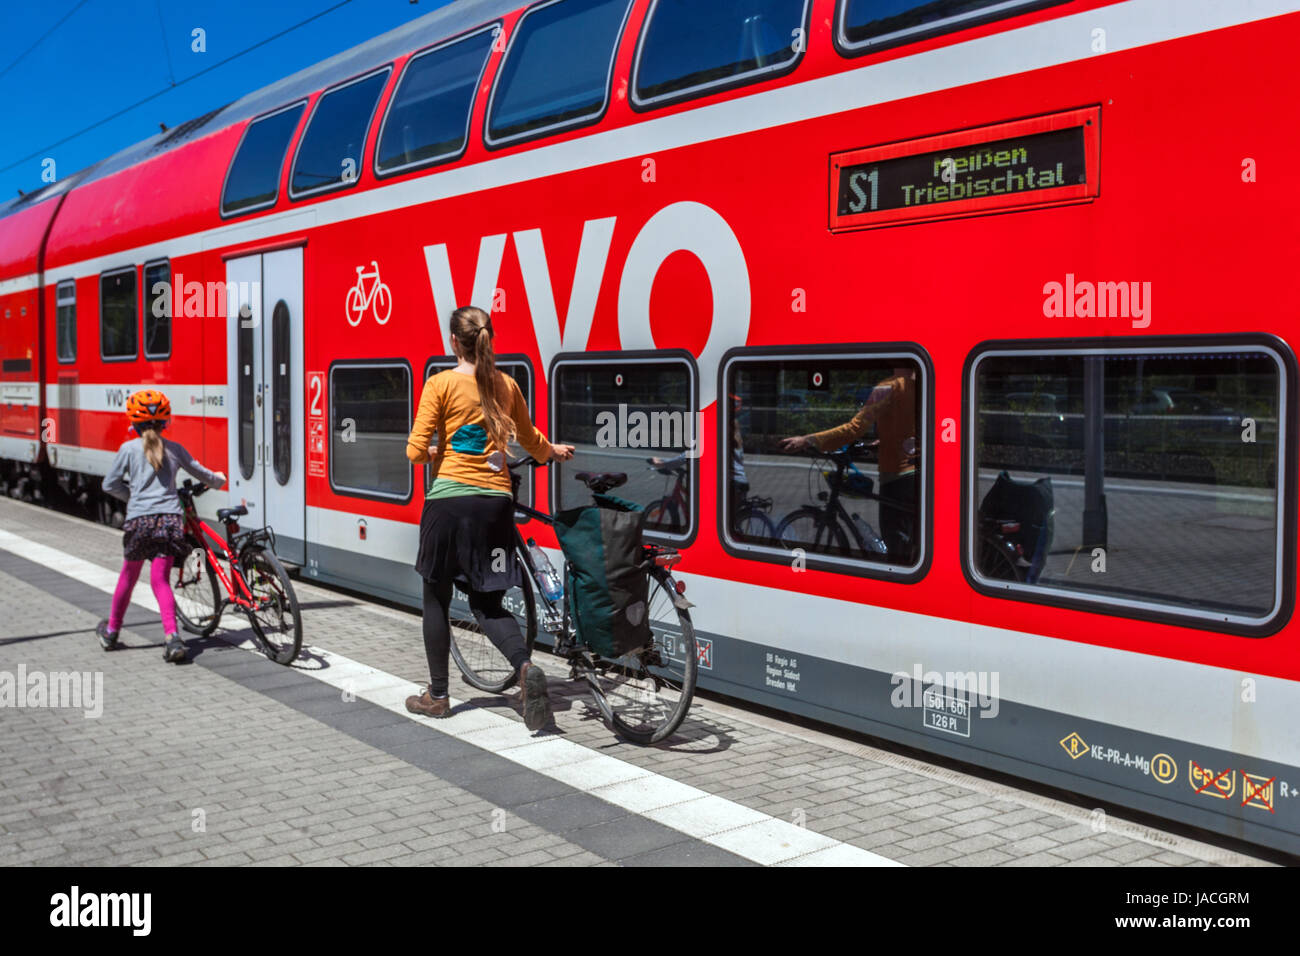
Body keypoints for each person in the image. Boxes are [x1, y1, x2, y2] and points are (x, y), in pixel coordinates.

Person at [405, 306, 574, 729]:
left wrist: (431, 452)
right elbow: (534, 443)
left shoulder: (439, 384)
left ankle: (438, 696)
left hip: (448, 503)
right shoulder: (507, 384)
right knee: (487, 603)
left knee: (435, 600)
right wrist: (553, 451)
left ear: (453, 342)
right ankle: (524, 668)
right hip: (495, 504)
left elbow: (413, 450)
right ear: (488, 339)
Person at [97, 389, 226, 662]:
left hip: (139, 523)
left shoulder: (127, 449)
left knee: (128, 578)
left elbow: (109, 484)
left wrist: (132, 496)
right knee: (160, 582)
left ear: (133, 422)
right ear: (165, 422)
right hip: (169, 521)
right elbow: (203, 473)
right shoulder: (175, 450)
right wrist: (219, 479)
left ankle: (111, 632)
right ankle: (173, 638)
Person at [779, 367, 919, 562]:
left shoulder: (889, 387)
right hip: (918, 476)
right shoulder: (923, 384)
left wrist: (808, 440)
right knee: (912, 548)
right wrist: (885, 442)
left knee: (898, 554)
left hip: (897, 477)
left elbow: (854, 428)